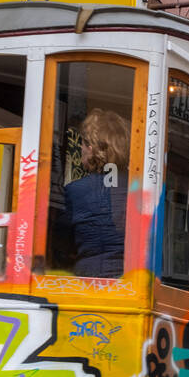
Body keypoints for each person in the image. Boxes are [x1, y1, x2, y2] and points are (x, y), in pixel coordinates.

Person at [58, 108, 131, 279]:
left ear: (91, 147)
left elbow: (60, 244)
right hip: (132, 281)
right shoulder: (139, 189)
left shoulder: (75, 191)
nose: (81, 148)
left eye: (83, 143)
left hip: (89, 280)